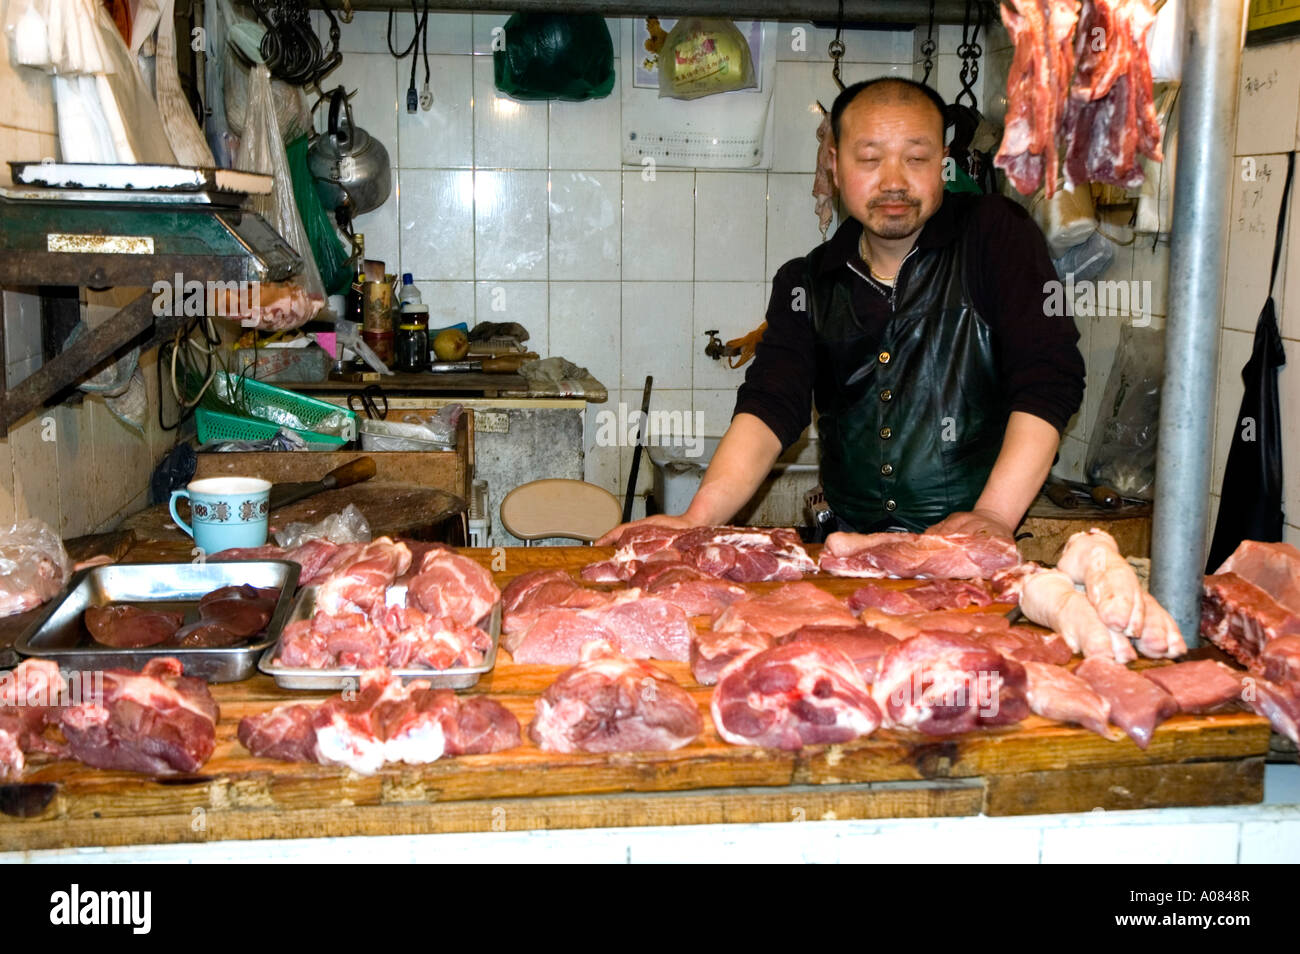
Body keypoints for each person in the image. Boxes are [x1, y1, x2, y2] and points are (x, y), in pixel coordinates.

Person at [600, 77, 1084, 546]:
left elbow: (1049, 376)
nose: (894, 182)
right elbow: (772, 403)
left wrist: (994, 514)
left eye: (916, 158)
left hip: (970, 547)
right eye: (870, 159)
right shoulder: (806, 281)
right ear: (834, 164)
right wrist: (696, 519)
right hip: (849, 552)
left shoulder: (996, 237)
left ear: (943, 162)